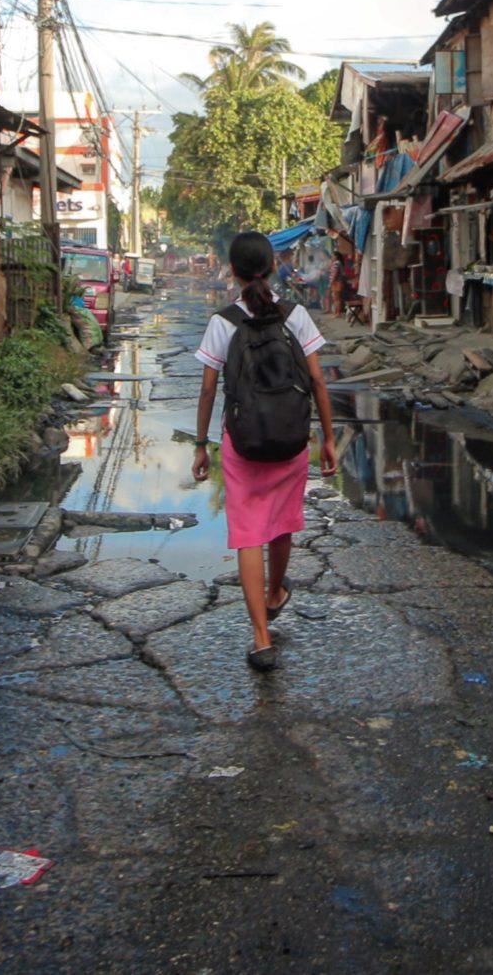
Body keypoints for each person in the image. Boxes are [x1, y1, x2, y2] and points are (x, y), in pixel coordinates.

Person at [192, 230, 336, 671]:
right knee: (281, 524)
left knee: (249, 533)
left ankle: (260, 637)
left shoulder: (223, 322)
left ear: (233, 272)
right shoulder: (295, 316)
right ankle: (276, 594)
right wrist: (328, 438)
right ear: (273, 267)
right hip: (291, 439)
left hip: (243, 442)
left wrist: (201, 446)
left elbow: (209, 389)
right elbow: (316, 381)